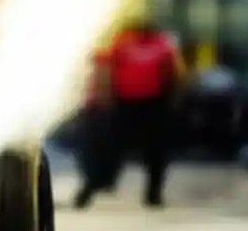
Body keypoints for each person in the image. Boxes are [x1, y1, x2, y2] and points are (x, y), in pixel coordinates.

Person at [75, 16, 185, 209]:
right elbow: (106, 68)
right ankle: (91, 188)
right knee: (108, 149)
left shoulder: (162, 43)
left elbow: (175, 71)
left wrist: (174, 98)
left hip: (153, 104)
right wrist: (105, 96)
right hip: (123, 103)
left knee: (156, 151)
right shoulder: (120, 41)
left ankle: (154, 193)